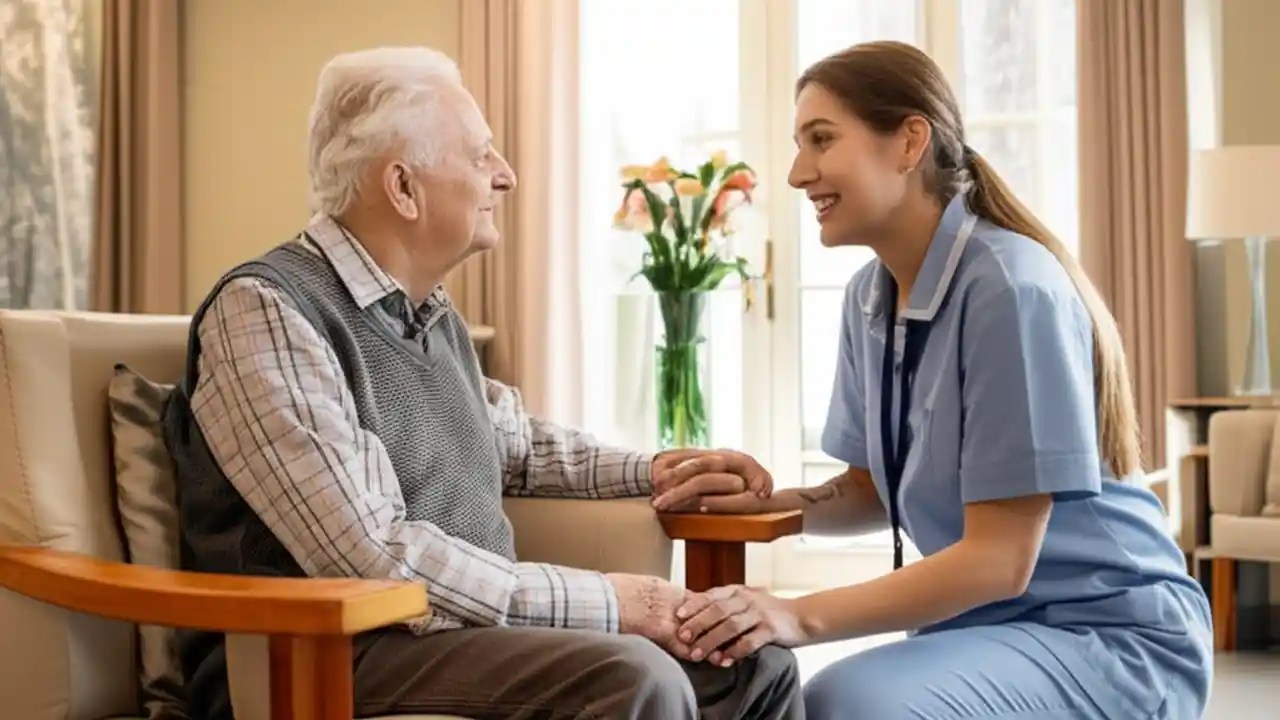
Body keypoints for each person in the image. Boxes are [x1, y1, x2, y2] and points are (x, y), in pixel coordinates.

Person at [163, 46, 801, 720]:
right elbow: (371, 556)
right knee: (635, 676)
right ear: (403, 187)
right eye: (480, 156)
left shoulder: (427, 315)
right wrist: (614, 602)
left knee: (755, 664)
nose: (506, 176)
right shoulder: (267, 310)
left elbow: (514, 448)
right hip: (322, 654)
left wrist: (663, 470)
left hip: (454, 639)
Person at [651, 41, 1213, 719]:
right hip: (992, 625)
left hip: (1109, 633)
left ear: (909, 140)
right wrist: (766, 501)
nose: (799, 173)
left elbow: (999, 560)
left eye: (821, 140)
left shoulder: (1011, 289)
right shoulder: (868, 297)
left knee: (847, 701)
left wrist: (794, 614)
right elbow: (870, 489)